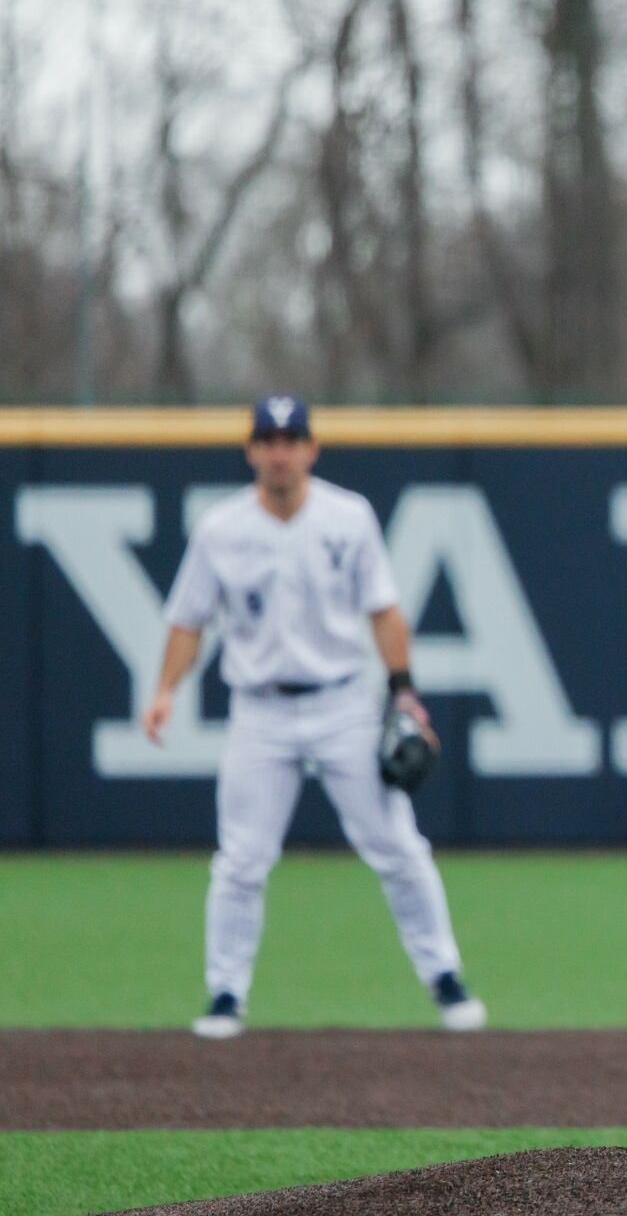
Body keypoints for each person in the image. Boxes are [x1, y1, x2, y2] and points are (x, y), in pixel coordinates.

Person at [142, 395, 484, 1039]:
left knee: (398, 848)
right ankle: (225, 994)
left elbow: (384, 610)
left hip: (343, 703)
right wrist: (164, 689)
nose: (280, 451)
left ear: (311, 448)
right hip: (260, 711)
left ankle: (446, 978)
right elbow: (188, 620)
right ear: (251, 451)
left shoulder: (347, 517)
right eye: (268, 439)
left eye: (291, 438)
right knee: (241, 859)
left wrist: (404, 693)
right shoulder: (222, 529)